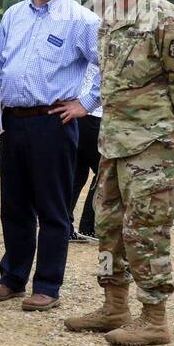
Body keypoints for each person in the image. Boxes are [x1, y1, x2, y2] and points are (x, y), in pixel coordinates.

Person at [65, 0, 174, 345]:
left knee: (147, 231)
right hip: (113, 142)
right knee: (108, 227)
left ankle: (154, 318)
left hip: (152, 146)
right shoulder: (106, 14)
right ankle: (114, 305)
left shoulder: (164, 19)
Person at [0, 0, 100, 311]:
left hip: (53, 124)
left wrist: (85, 103)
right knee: (14, 206)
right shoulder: (14, 15)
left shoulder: (80, 20)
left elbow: (108, 65)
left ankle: (47, 285)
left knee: (53, 209)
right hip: (14, 123)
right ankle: (12, 278)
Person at [68, 61, 102, 244]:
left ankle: (64, 225)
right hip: (94, 113)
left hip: (79, 111)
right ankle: (90, 225)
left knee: (77, 172)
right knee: (104, 171)